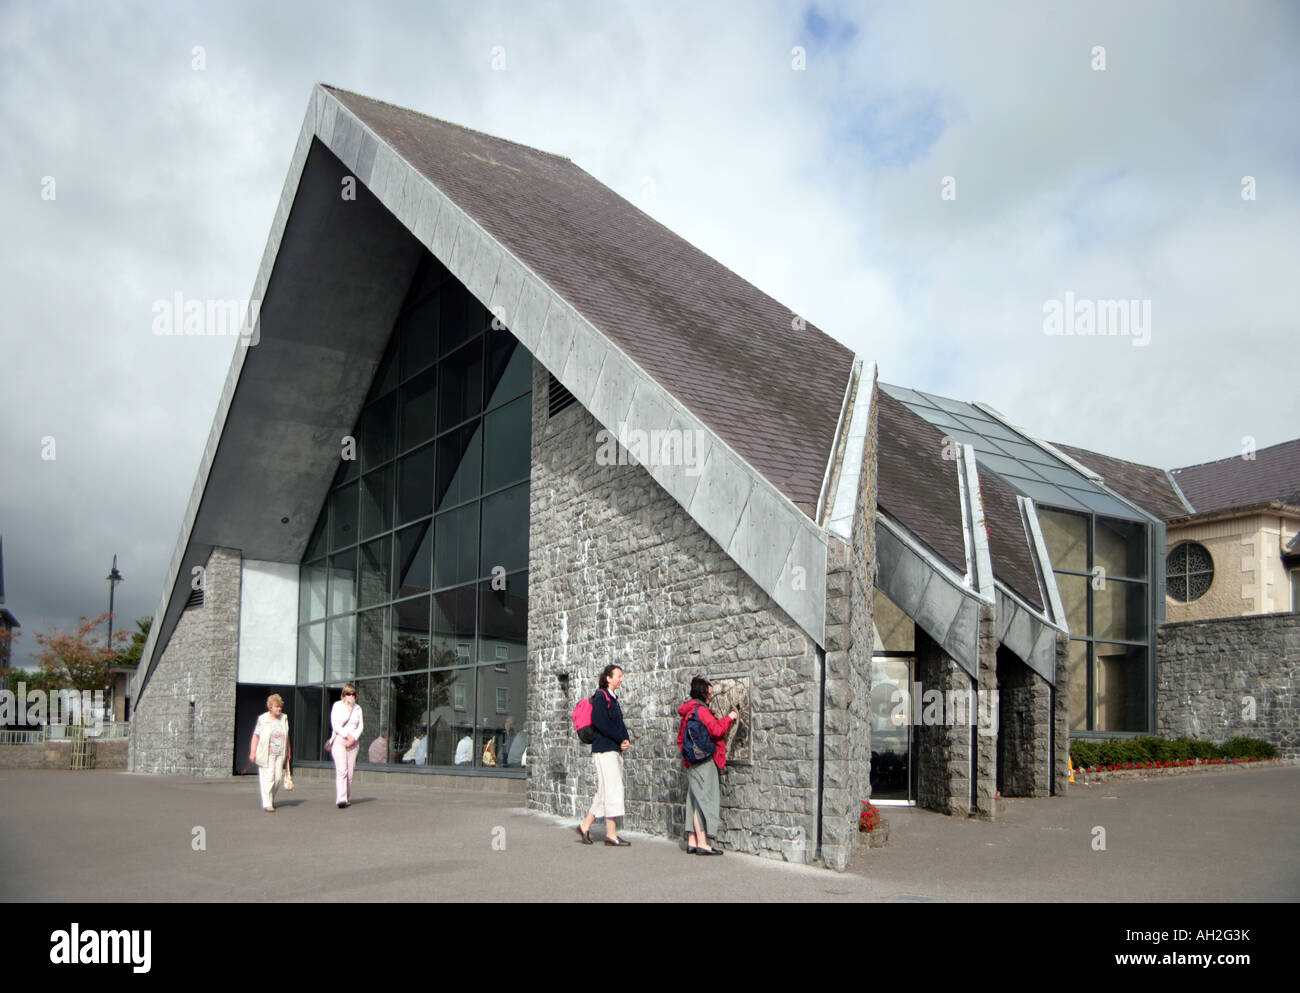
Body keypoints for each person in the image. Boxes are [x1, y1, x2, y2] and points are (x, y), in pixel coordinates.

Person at [676, 676, 738, 855]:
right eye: (709, 693)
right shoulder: (701, 711)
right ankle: (703, 843)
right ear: (703, 693)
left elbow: (681, 738)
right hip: (704, 761)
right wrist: (730, 718)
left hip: (692, 761)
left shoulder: (688, 711)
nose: (711, 696)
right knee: (704, 800)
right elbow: (717, 730)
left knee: (694, 799)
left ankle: (692, 841)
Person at [576, 664, 631, 847]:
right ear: (608, 678)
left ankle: (585, 826)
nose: (621, 679)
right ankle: (611, 834)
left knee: (605, 792)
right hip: (604, 750)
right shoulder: (601, 696)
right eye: (618, 676)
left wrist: (625, 739)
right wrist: (618, 738)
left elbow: (618, 723)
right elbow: (600, 722)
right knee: (613, 790)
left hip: (611, 748)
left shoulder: (612, 698)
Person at [249, 693, 291, 813]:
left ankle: (270, 798)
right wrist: (252, 752)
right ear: (270, 707)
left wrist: (289, 750)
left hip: (280, 753)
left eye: (280, 706)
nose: (279, 709)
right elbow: (255, 736)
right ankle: (267, 803)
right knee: (268, 778)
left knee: (278, 778)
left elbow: (287, 736)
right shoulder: (263, 719)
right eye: (276, 706)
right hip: (267, 753)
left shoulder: (284, 718)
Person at [329, 684, 363, 808]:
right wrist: (347, 735)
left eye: (353, 694)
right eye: (349, 693)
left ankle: (346, 796)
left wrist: (353, 738)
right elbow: (335, 724)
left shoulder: (358, 708)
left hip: (353, 742)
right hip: (340, 740)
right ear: (344, 695)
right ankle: (341, 799)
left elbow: (360, 726)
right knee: (342, 770)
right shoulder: (337, 706)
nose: (351, 696)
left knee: (350, 772)